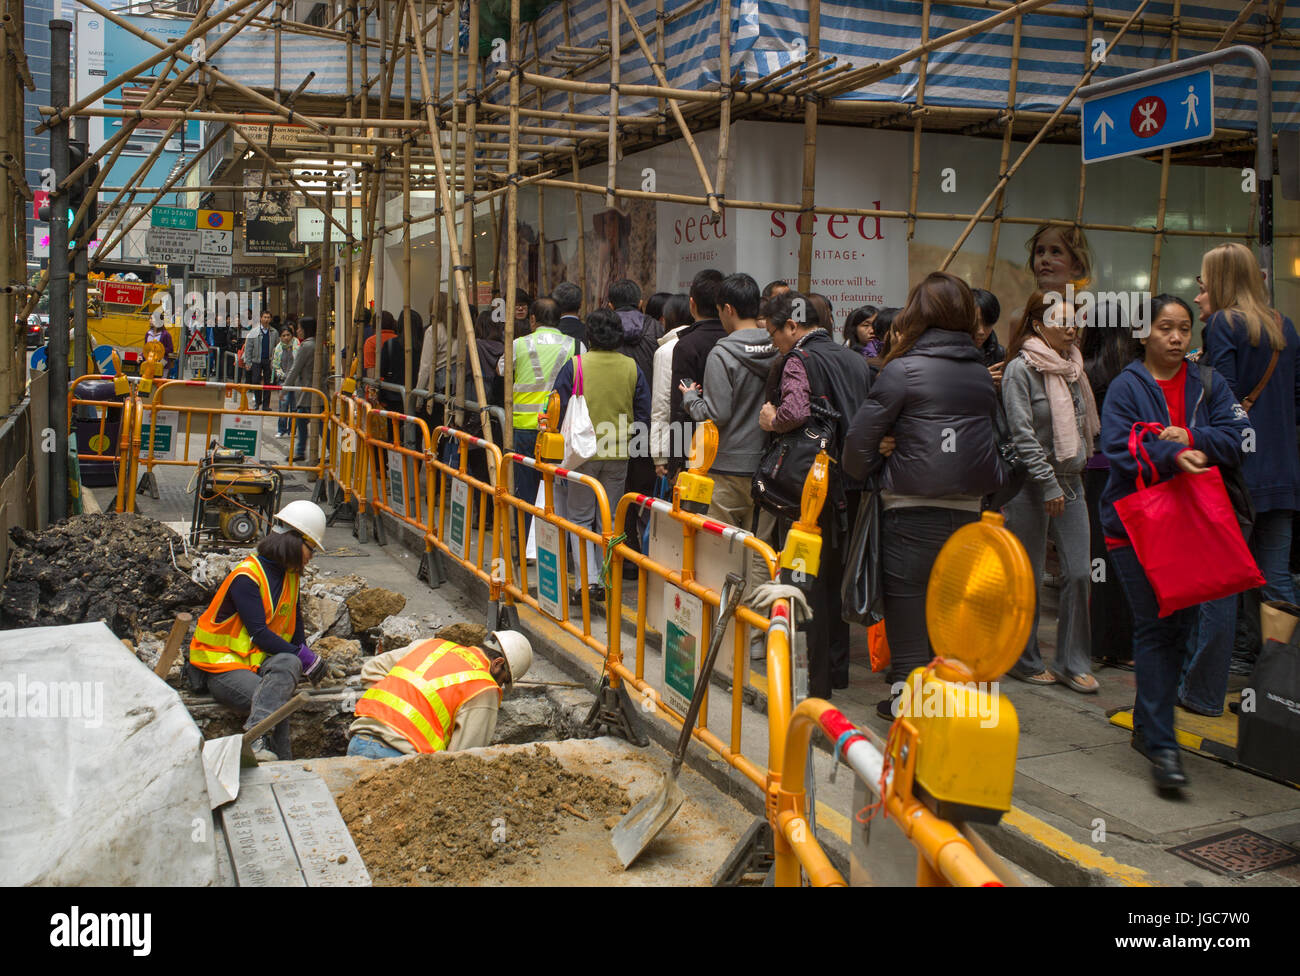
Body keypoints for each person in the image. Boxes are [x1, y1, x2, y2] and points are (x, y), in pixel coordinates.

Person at [1100, 294, 1250, 792]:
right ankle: (1164, 747)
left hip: (1193, 522)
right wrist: (1167, 454)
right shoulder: (1126, 385)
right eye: (1165, 327)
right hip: (1135, 525)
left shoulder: (1210, 382)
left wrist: (1190, 436)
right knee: (1156, 626)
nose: (1176, 337)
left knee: (1181, 625)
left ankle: (1148, 727)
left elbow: (1240, 438)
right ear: (1144, 333)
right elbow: (1118, 446)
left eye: (1184, 329)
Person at [843, 272, 1008, 720]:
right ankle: (943, 711)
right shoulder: (979, 371)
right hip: (969, 516)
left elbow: (856, 449)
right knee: (950, 621)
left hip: (909, 514)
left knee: (910, 624)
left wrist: (878, 459)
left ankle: (908, 719)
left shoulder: (902, 369)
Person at [1185, 244, 1300, 715]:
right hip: (1282, 474)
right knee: (1277, 582)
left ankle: (1201, 693)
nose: (1197, 295)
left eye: (1203, 283)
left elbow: (1222, 400)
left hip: (1238, 477)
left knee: (1220, 582)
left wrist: (1194, 371)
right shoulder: (1284, 326)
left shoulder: (1221, 326)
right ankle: (1282, 694)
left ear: (1223, 281)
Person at [759, 290, 872, 698]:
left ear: (792, 326)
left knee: (807, 581)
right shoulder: (855, 359)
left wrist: (771, 420)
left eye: (774, 333)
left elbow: (793, 413)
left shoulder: (799, 360)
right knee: (836, 579)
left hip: (813, 489)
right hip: (852, 484)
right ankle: (839, 670)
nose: (774, 342)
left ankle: (814, 682)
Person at [1001, 292, 1100, 693]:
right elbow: (1021, 434)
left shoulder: (1074, 368)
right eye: (1060, 318)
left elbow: (1081, 429)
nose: (1071, 325)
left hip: (1072, 481)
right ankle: (1023, 659)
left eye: (1074, 318)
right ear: (1038, 325)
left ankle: (1071, 662)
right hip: (1029, 482)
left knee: (1078, 572)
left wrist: (1066, 478)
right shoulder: (1019, 371)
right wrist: (1047, 482)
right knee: (1028, 574)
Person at [187, 502, 330, 762]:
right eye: (311, 549)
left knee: (288, 664)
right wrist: (304, 658)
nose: (311, 557)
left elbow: (295, 635)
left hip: (256, 663)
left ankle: (264, 750)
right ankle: (263, 748)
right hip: (222, 666)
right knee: (276, 700)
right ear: (295, 541)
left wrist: (308, 658)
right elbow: (259, 635)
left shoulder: (291, 577)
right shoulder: (247, 577)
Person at [679, 273, 777, 638]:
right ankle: (754, 635)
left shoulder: (723, 352)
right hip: (767, 467)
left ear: (729, 309)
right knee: (759, 553)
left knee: (721, 549)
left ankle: (724, 630)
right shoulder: (777, 346)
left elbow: (715, 414)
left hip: (726, 466)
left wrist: (691, 397)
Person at [551, 308, 650, 603]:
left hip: (582, 454)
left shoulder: (576, 365)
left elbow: (556, 408)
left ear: (589, 335)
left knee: (580, 518)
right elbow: (643, 414)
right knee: (608, 520)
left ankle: (586, 583)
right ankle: (606, 580)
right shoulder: (632, 367)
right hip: (619, 453)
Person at [346, 630, 533, 757]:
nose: (499, 686)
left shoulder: (431, 645)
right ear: (497, 663)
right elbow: (462, 759)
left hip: (358, 740)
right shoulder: (484, 687)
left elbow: (371, 669)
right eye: (504, 681)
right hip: (401, 756)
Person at [504, 295, 577, 534]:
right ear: (559, 319)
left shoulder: (518, 344)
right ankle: (555, 544)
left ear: (532, 319)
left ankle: (527, 543)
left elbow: (501, 368)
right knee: (557, 489)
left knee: (525, 490)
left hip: (524, 427)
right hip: (559, 430)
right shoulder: (575, 345)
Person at [608, 278, 664, 556]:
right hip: (648, 423)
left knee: (615, 491)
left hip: (611, 424)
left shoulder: (604, 329)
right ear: (641, 302)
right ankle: (643, 553)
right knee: (645, 493)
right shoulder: (656, 329)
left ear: (609, 305)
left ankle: (620, 551)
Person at [669, 269, 726, 473]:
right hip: (734, 448)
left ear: (692, 304)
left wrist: (676, 461)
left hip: (697, 449)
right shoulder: (734, 339)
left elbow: (680, 405)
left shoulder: (687, 345)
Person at [651, 294, 692, 478]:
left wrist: (659, 456)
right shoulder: (704, 341)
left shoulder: (666, 351)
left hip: (676, 444)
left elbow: (661, 403)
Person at [282, 318, 318, 462]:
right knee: (304, 423)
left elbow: (295, 369)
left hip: (309, 393)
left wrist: (284, 389)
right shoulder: (318, 345)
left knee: (317, 424)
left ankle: (301, 451)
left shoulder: (306, 346)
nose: (297, 331)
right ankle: (300, 451)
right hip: (314, 392)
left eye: (299, 328)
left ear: (305, 329)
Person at [971, 287, 1005, 390]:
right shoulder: (947, 354)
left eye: (987, 324)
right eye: (975, 323)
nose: (981, 331)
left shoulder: (998, 354)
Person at [242, 309, 276, 409]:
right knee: (256, 381)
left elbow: (277, 347)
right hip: (256, 360)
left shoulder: (274, 332)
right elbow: (248, 348)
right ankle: (257, 402)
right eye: (264, 317)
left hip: (269, 361)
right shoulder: (253, 332)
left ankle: (266, 405)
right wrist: (247, 362)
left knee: (267, 383)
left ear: (270, 319)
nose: (266, 319)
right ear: (261, 318)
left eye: (268, 317)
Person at [271, 326, 299, 436]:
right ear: (280, 337)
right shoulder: (278, 349)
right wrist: (282, 375)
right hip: (283, 380)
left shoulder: (297, 346)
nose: (286, 337)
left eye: (288, 335)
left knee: (294, 406)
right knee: (283, 405)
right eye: (283, 335)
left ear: (292, 335)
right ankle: (281, 429)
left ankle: (292, 430)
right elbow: (276, 366)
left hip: (296, 380)